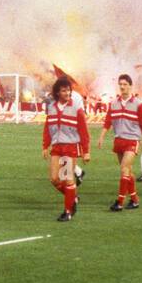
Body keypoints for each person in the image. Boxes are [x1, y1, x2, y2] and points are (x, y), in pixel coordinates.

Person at [96, 73, 142, 210]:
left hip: (132, 140)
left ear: (130, 86)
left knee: (124, 169)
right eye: (120, 84)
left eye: (125, 84)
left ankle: (119, 201)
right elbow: (108, 121)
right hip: (118, 141)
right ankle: (134, 199)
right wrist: (101, 137)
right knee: (128, 171)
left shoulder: (138, 104)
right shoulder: (113, 103)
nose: (122, 87)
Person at [43, 76, 89, 221]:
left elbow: (83, 130)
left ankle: (68, 211)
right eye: (64, 91)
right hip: (57, 147)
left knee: (68, 179)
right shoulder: (51, 108)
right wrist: (45, 145)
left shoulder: (76, 108)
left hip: (70, 147)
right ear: (57, 93)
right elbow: (47, 127)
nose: (67, 93)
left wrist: (86, 151)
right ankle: (73, 197)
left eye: (69, 90)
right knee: (54, 179)